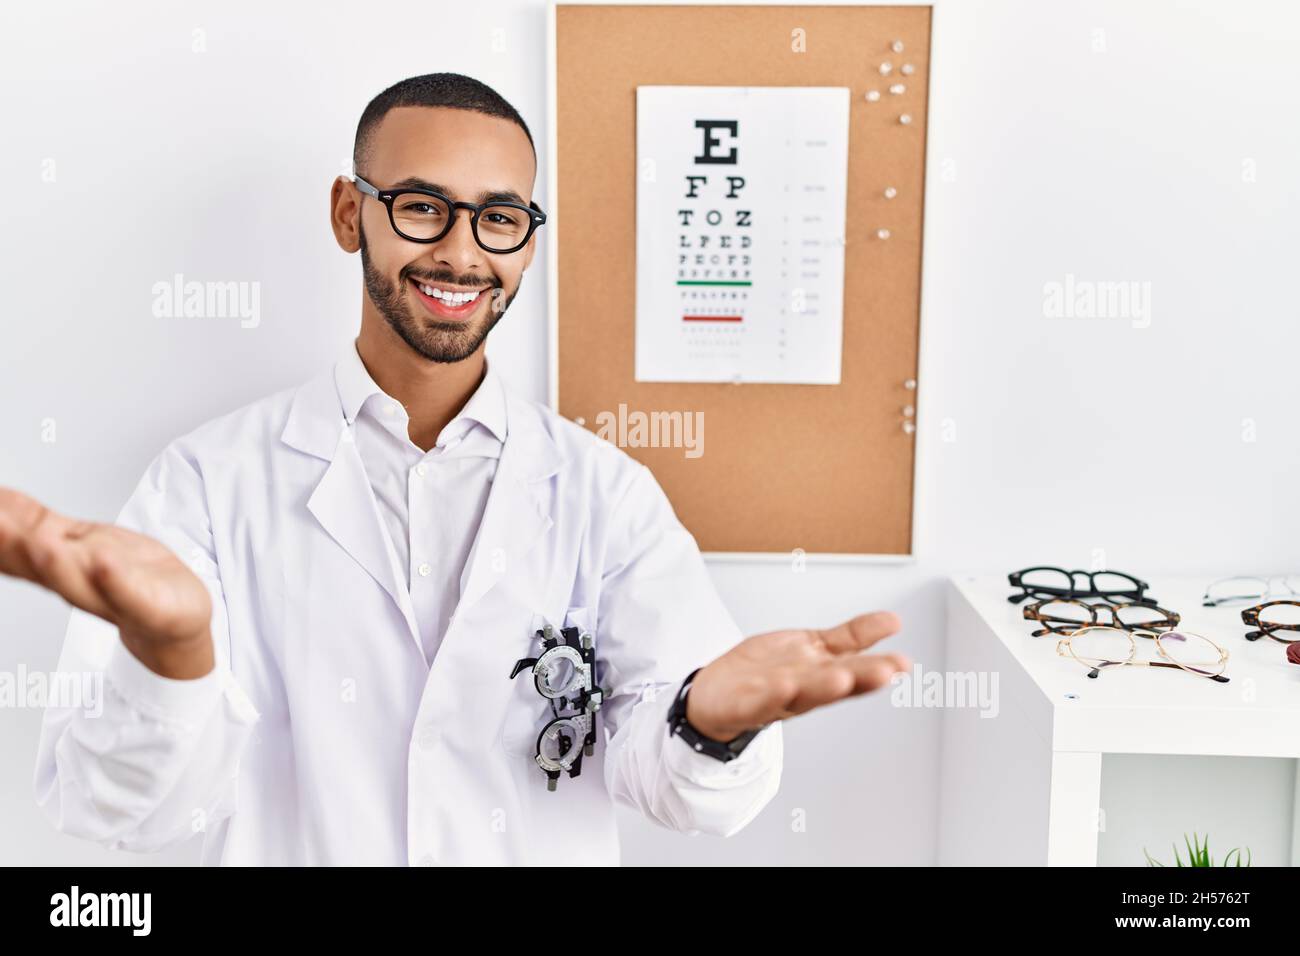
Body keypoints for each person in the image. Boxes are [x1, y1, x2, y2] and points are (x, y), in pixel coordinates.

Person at [0, 73, 909, 865]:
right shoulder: (206, 483)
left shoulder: (604, 494)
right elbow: (111, 808)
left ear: (529, 239)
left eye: (500, 217)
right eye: (423, 205)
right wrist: (171, 658)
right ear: (349, 213)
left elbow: (679, 791)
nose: (464, 252)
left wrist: (707, 721)